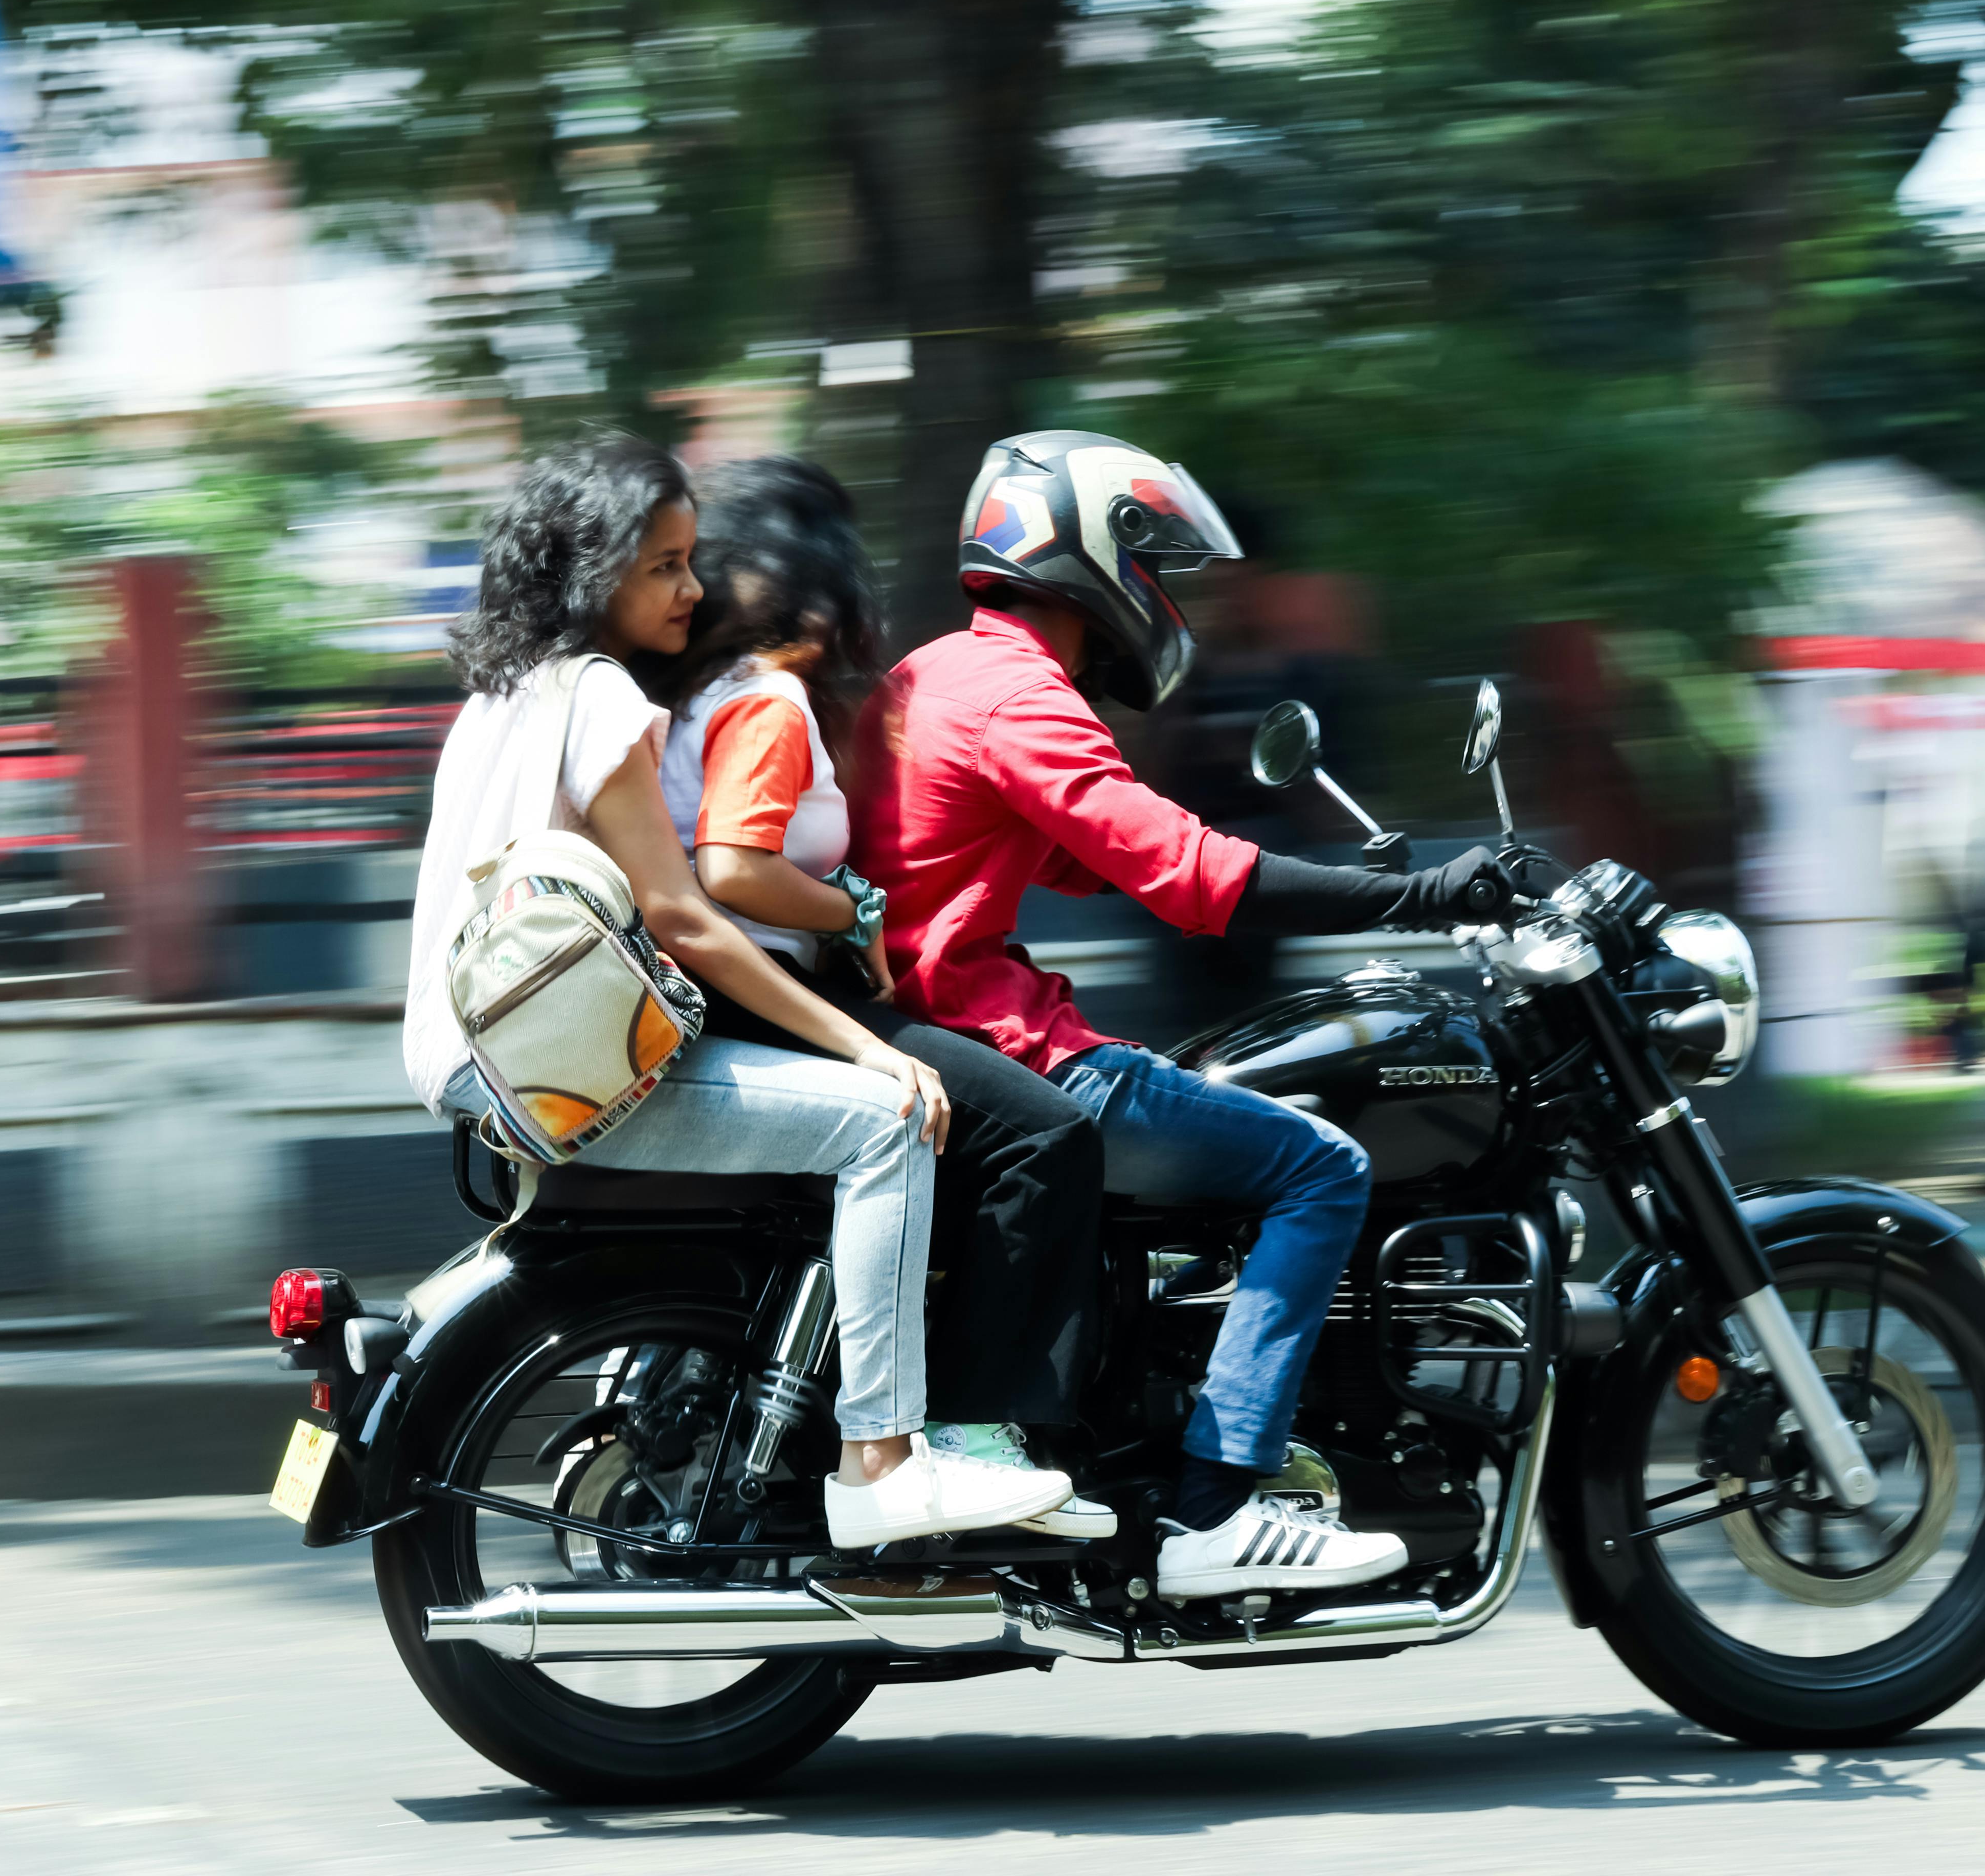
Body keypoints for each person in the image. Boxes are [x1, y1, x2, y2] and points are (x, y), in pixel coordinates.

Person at [850, 428, 1503, 1599]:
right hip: (1002, 1037)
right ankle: (1216, 1508)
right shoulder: (1020, 693)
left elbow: (1096, 855)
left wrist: (1204, 840)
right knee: (1322, 1166)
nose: (1158, 600)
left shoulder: (936, 671)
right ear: (1092, 557)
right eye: (1152, 568)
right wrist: (1420, 890)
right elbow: (1195, 883)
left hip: (929, 1027)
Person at [401, 433, 1070, 1550]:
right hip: (556, 1058)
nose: (695, 589)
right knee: (892, 1120)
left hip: (481, 1051)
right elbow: (686, 914)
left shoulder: (503, 694)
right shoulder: (603, 699)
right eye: (664, 564)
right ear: (594, 566)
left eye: (690, 560)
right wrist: (868, 1048)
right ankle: (883, 1459)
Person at [638, 455, 1113, 1539]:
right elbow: (735, 870)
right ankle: (979, 1434)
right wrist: (851, 908)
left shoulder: (696, 700)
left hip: (722, 995)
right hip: (760, 995)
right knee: (1048, 1134)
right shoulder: (765, 702)